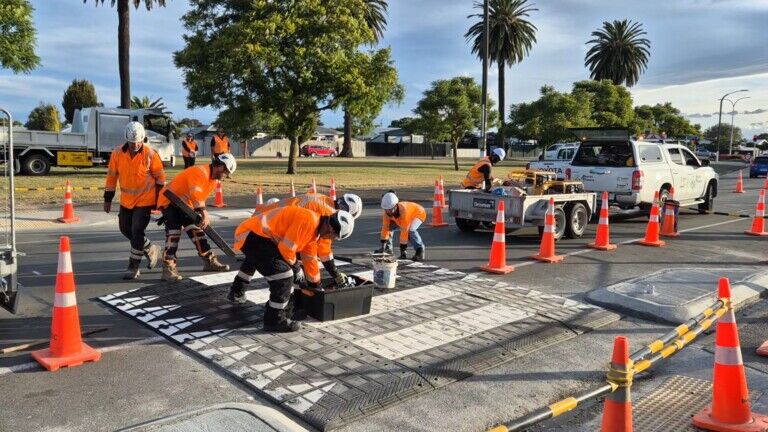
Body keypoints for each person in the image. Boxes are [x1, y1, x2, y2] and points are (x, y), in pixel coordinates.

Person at [228, 207, 355, 332]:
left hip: (261, 237)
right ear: (331, 229)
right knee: (284, 275)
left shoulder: (313, 233)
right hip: (252, 235)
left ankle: (271, 305)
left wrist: (316, 286)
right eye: (335, 237)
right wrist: (296, 268)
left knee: (282, 269)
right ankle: (274, 321)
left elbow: (310, 260)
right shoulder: (308, 221)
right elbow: (286, 249)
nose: (332, 240)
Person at [155, 153, 236, 281]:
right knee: (173, 233)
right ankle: (168, 268)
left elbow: (198, 199)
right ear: (219, 166)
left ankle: (209, 261)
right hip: (169, 201)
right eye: (225, 172)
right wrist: (204, 213)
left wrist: (198, 215)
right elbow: (196, 194)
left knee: (196, 231)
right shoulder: (200, 172)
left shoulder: (213, 181)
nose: (224, 175)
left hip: (185, 206)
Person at [253, 192, 363, 286]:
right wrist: (333, 274)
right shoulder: (330, 218)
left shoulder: (324, 201)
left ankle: (238, 290)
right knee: (290, 271)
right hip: (266, 225)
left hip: (263, 218)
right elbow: (322, 250)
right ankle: (298, 295)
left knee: (252, 257)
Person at [104, 122, 166, 280]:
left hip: (145, 200)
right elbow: (111, 176)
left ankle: (133, 266)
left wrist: (159, 201)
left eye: (138, 141)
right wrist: (108, 199)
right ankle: (151, 248)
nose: (135, 145)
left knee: (137, 231)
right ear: (126, 140)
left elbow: (160, 179)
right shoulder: (117, 153)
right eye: (132, 142)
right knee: (126, 229)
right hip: (126, 201)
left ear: (143, 138)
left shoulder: (150, 154)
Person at [375, 191, 427, 261]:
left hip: (418, 213)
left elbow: (404, 231)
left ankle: (419, 250)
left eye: (390, 209)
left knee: (411, 229)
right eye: (386, 210)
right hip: (401, 219)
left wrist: (403, 251)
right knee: (389, 226)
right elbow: (385, 228)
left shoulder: (404, 211)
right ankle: (388, 249)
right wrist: (382, 246)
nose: (388, 212)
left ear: (396, 206)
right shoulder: (387, 213)